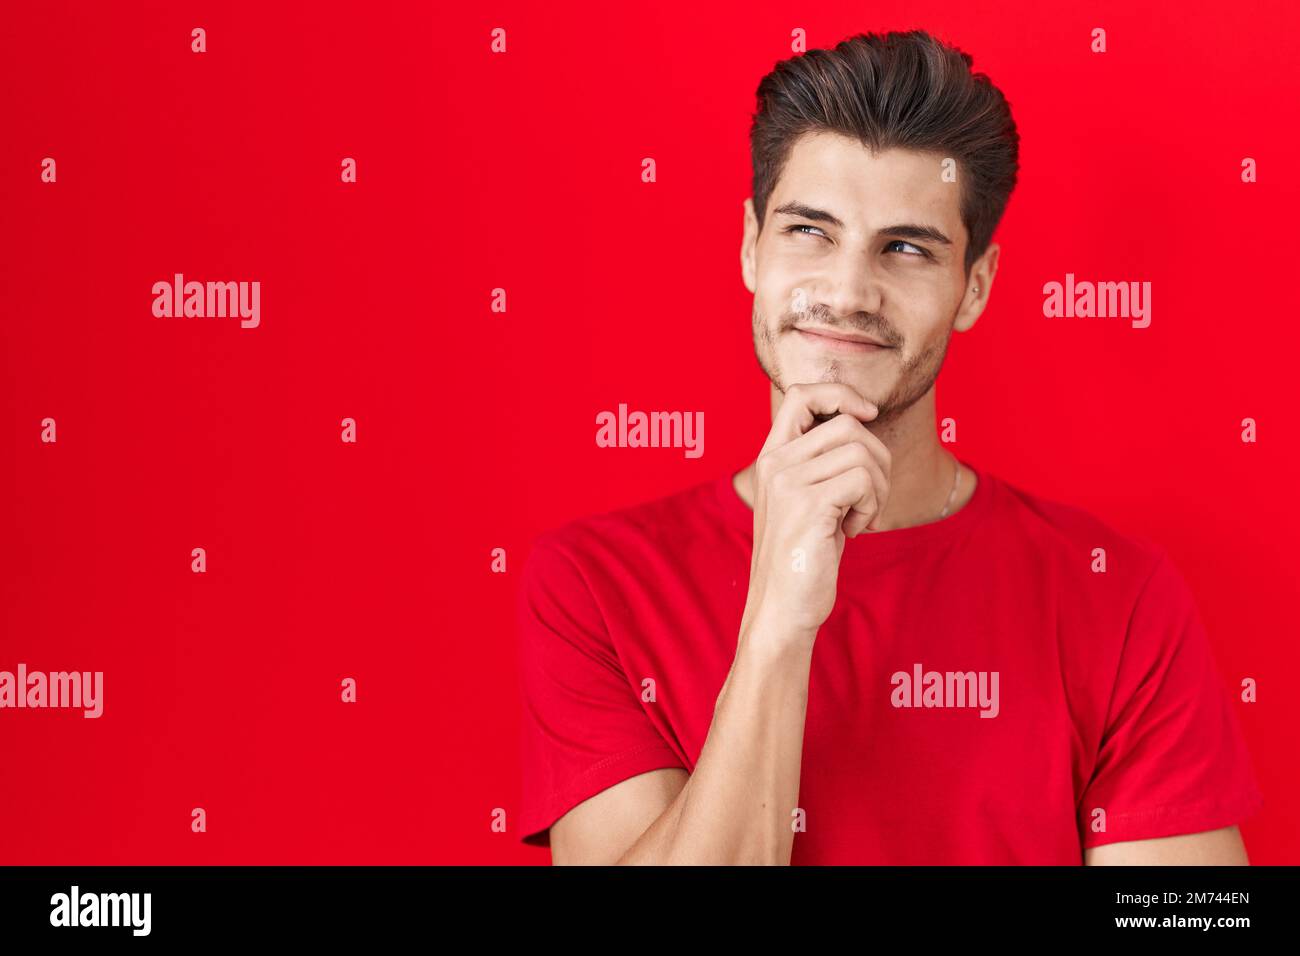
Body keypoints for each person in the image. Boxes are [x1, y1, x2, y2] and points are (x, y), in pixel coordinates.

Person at [516, 29, 1263, 864]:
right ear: (749, 246)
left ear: (973, 287)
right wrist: (777, 625)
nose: (846, 291)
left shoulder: (1119, 597)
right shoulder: (590, 586)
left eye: (906, 248)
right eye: (808, 231)